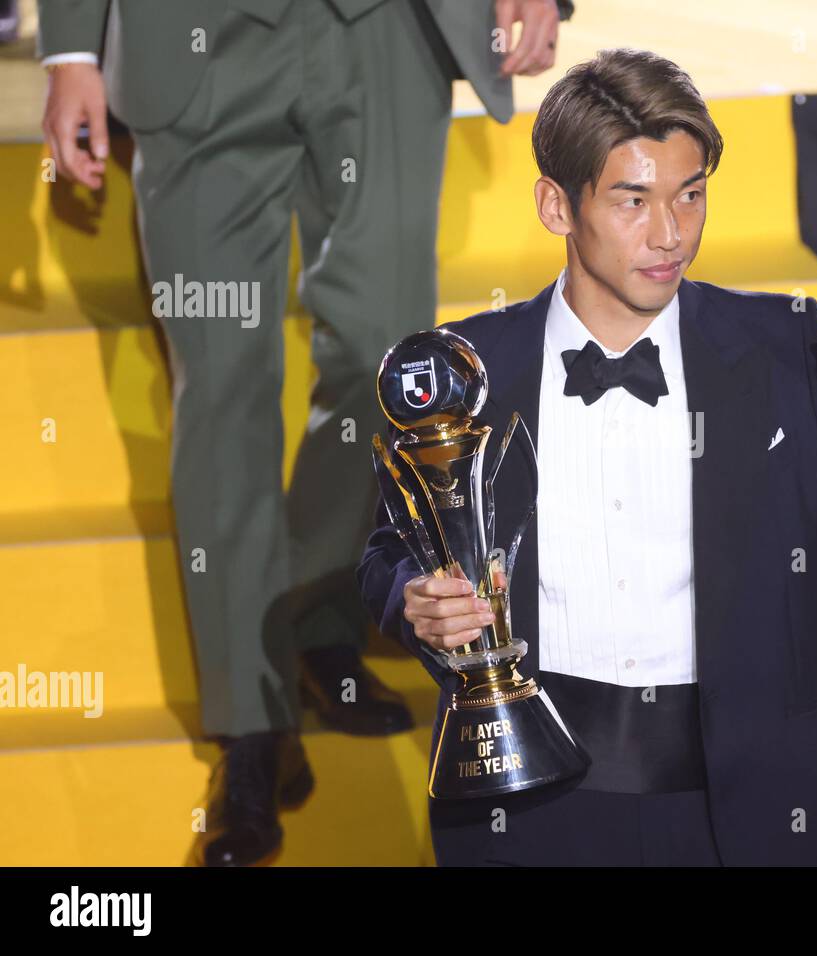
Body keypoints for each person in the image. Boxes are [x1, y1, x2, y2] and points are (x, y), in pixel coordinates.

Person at [357, 47, 817, 866]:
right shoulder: (465, 371)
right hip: (530, 807)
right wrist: (413, 599)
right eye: (632, 201)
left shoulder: (783, 349)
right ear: (556, 205)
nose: (670, 234)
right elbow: (390, 550)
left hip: (764, 805)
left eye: (691, 195)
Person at [37, 0, 574, 866]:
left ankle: (325, 610)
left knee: (386, 363)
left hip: (382, 30)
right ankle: (252, 723)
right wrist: (69, 44)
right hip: (189, 36)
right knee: (218, 386)